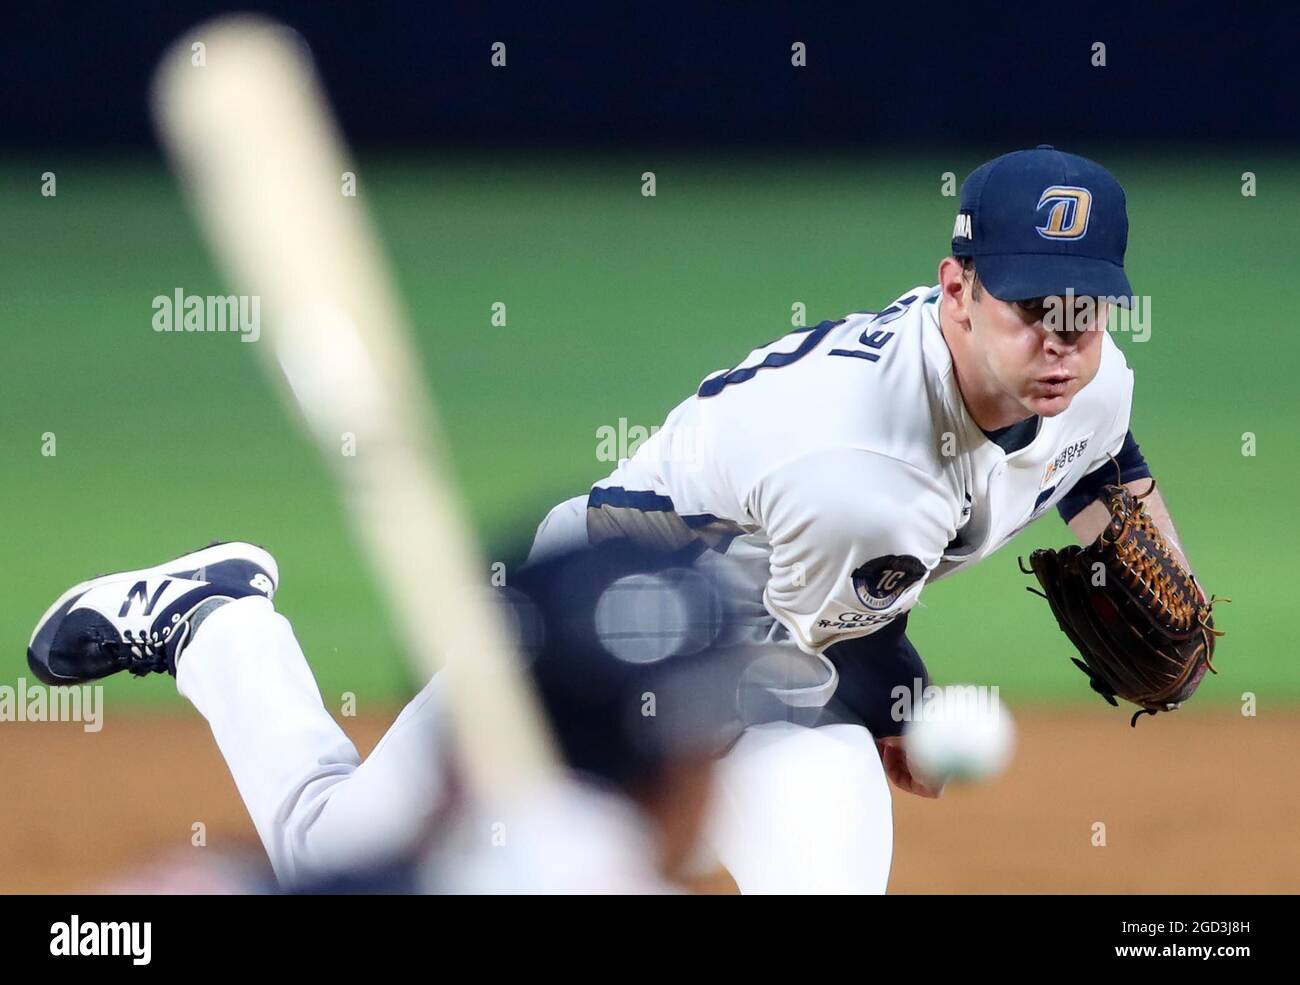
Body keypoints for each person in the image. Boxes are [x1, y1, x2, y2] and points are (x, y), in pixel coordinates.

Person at [28, 146, 1202, 893]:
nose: (1063, 340)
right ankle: (217, 622)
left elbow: (1101, 451)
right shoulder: (844, 458)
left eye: (1087, 310)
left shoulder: (1086, 374)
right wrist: (895, 705)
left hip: (784, 646)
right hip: (598, 628)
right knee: (333, 863)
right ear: (954, 292)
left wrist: (1157, 560)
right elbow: (792, 636)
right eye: (1031, 310)